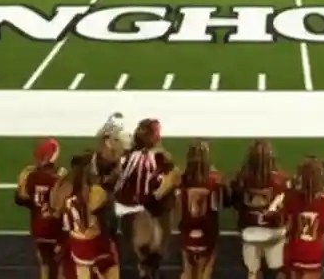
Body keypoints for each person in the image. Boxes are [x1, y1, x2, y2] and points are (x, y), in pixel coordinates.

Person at [113, 118, 178, 279]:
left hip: (125, 208)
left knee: (141, 256)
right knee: (154, 254)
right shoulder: (159, 156)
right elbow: (173, 178)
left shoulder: (126, 157)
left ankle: (145, 270)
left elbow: (116, 180)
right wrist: (156, 195)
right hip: (150, 210)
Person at [231, 139, 290, 279]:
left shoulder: (241, 178)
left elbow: (235, 203)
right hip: (274, 232)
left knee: (252, 271)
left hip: (250, 231)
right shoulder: (282, 179)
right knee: (276, 271)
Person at [56, 151, 119, 279]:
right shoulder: (97, 192)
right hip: (98, 242)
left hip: (77, 243)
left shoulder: (67, 194)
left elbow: (58, 213)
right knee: (110, 268)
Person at [16, 138, 69, 279]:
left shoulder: (31, 176)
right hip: (57, 228)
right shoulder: (59, 177)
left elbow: (21, 199)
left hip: (38, 227)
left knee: (44, 264)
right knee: (61, 265)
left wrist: (22, 181)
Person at [176, 140, 224, 279]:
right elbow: (220, 206)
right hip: (208, 235)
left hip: (187, 233)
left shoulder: (181, 179)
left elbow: (177, 208)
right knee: (205, 272)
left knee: (187, 271)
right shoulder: (215, 180)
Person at [284, 157, 324, 279]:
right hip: (314, 251)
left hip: (295, 249)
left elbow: (288, 226)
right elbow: (323, 228)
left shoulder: (292, 198)